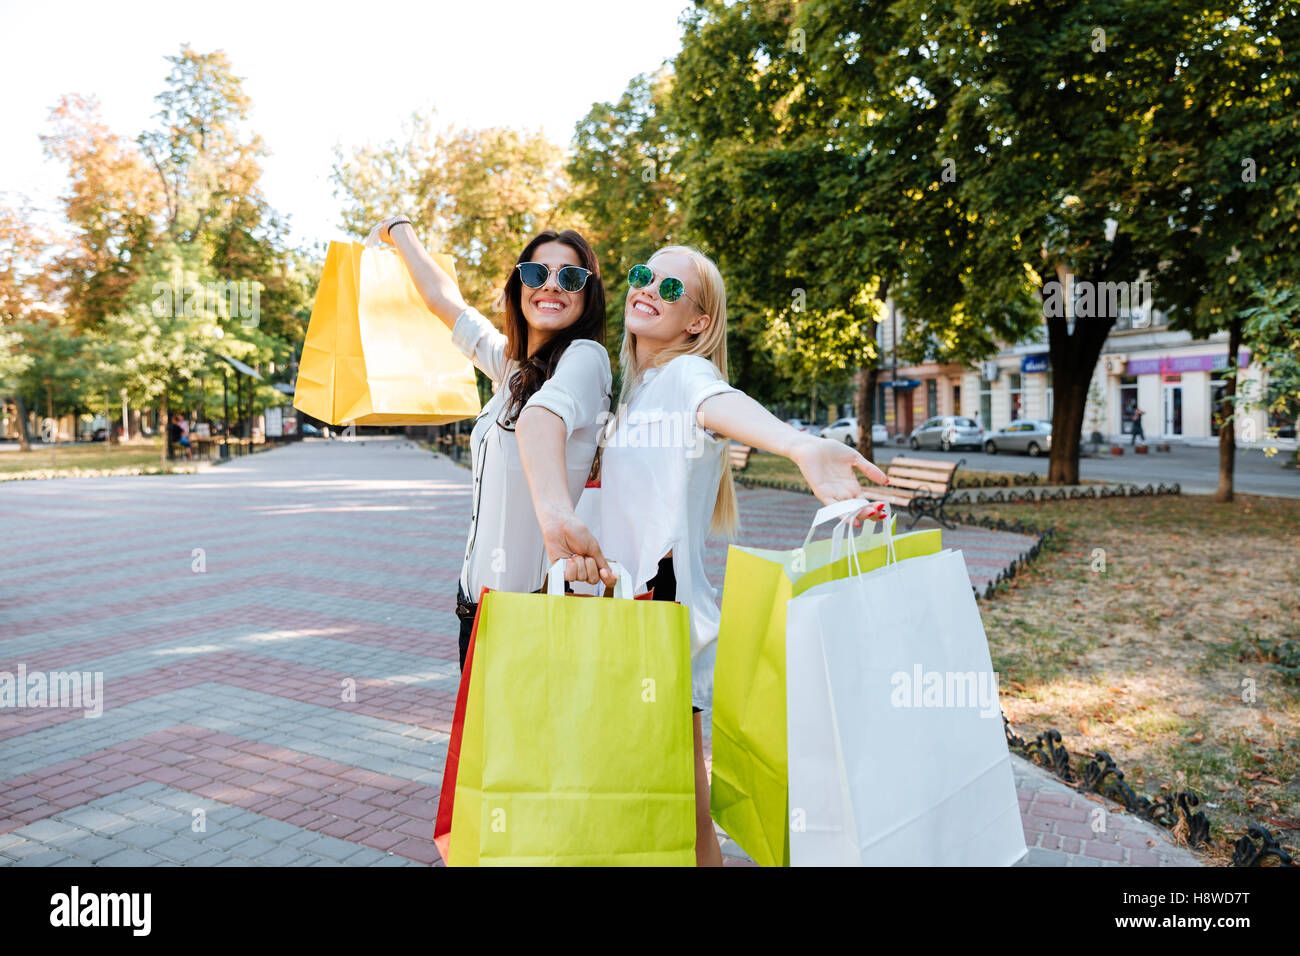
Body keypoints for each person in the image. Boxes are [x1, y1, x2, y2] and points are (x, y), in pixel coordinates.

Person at [574, 246, 890, 865]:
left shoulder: (684, 377)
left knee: (686, 820)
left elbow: (719, 400)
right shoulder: (635, 393)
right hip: (627, 618)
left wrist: (798, 444)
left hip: (659, 625)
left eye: (669, 287)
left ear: (697, 321)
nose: (647, 289)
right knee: (670, 808)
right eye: (641, 276)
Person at [371, 216, 615, 671]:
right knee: (482, 745)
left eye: (571, 277)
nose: (552, 286)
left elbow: (540, 419)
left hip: (530, 614)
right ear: (518, 286)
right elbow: (444, 302)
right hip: (476, 608)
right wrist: (398, 230)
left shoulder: (585, 358)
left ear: (588, 293)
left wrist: (557, 519)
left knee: (518, 744)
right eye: (536, 274)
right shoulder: (514, 370)